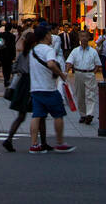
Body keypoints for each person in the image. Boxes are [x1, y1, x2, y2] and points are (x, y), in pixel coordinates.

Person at [28, 25, 74, 153]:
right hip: (49, 89)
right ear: (46, 35)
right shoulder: (48, 50)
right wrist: (61, 74)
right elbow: (51, 64)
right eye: (49, 34)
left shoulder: (33, 51)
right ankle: (59, 143)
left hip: (35, 89)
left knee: (36, 116)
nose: (51, 36)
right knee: (58, 115)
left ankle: (34, 144)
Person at [2, 29, 48, 152]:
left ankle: (9, 139)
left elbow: (14, 67)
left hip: (21, 84)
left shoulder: (23, 54)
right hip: (32, 83)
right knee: (40, 114)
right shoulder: (34, 54)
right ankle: (43, 142)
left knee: (21, 116)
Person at [66, 28, 101, 124]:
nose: (84, 38)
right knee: (80, 95)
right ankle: (83, 115)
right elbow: (69, 62)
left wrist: (93, 73)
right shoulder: (75, 51)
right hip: (78, 74)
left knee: (90, 95)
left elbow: (98, 65)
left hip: (89, 74)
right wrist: (66, 71)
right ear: (79, 38)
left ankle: (89, 114)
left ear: (89, 37)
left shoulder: (93, 51)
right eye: (82, 36)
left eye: (85, 36)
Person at [0, 23, 16, 87]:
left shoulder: (0, 35)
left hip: (2, 54)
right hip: (9, 55)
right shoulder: (12, 36)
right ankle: (7, 79)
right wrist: (14, 55)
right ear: (11, 28)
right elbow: (13, 47)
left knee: (4, 67)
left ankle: (6, 79)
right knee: (8, 67)